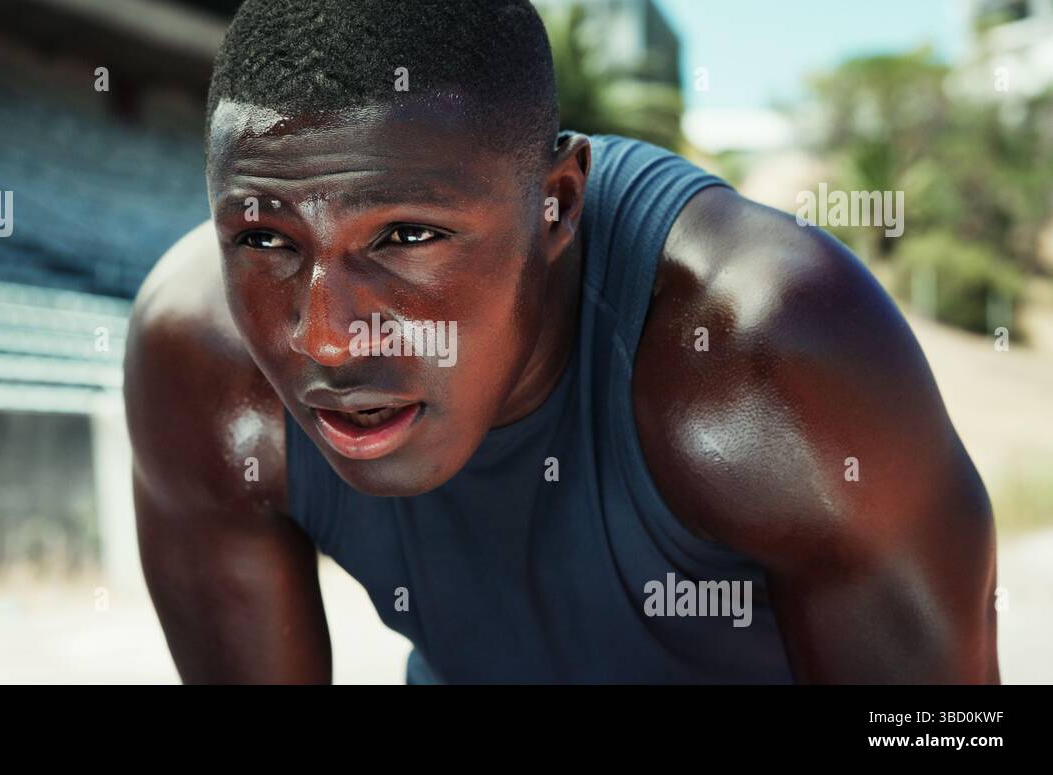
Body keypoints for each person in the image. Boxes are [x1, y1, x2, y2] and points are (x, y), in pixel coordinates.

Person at [123, 0, 999, 683]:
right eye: (266, 240)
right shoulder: (204, 369)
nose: (326, 340)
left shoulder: (761, 356)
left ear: (559, 206)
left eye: (405, 236)